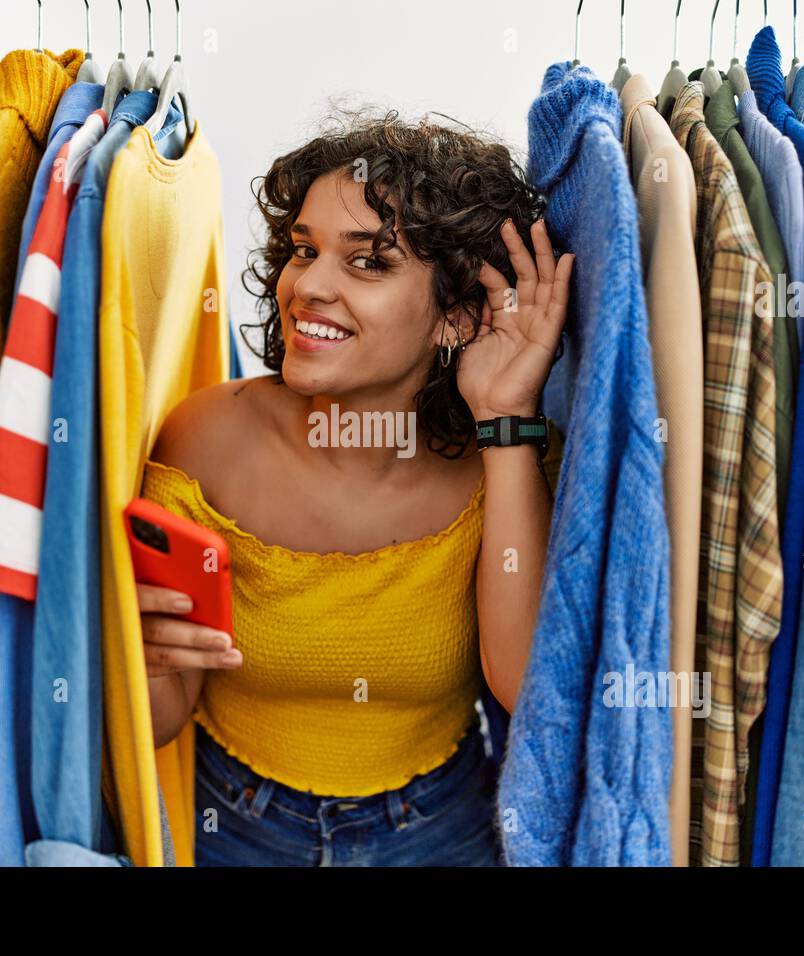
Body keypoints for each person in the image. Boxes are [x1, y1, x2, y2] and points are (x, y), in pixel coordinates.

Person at [135, 112, 573, 866]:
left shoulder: (505, 460)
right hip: (232, 826)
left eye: (368, 262)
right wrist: (141, 660)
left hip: (440, 829)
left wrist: (505, 420)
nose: (308, 286)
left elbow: (525, 686)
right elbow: (164, 715)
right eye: (304, 250)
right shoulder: (204, 441)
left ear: (457, 313)